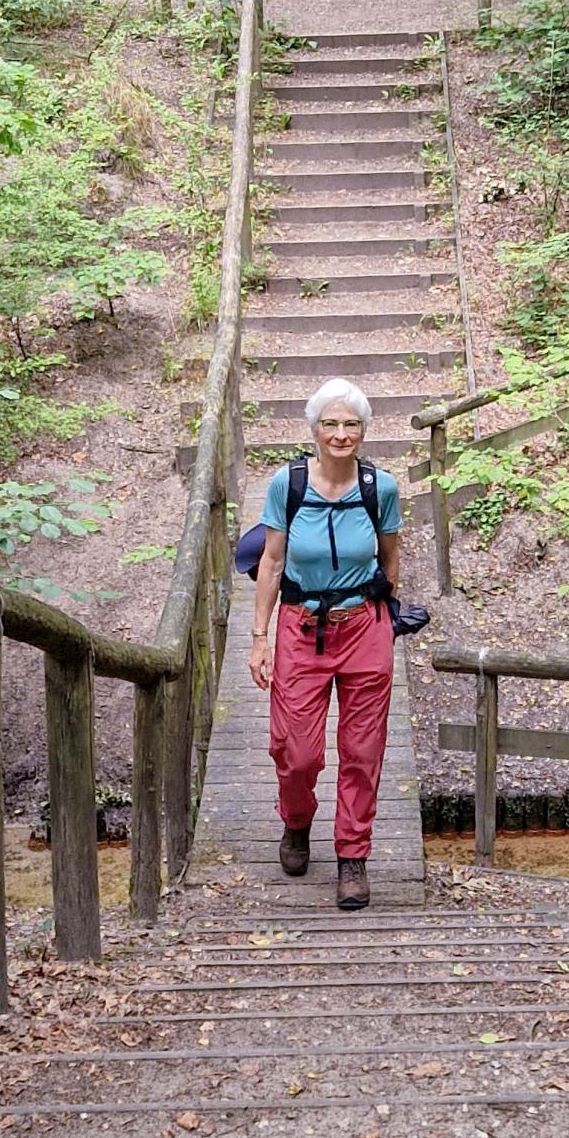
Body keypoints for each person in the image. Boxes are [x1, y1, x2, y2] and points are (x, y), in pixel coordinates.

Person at [248, 377, 402, 910]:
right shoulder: (286, 484)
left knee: (363, 749)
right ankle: (296, 821)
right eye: (331, 423)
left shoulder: (379, 487)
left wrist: (382, 610)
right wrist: (259, 636)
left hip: (364, 626)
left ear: (364, 430)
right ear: (314, 429)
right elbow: (270, 561)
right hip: (299, 625)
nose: (341, 434)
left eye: (351, 424)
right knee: (297, 752)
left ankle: (352, 857)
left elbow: (390, 558)